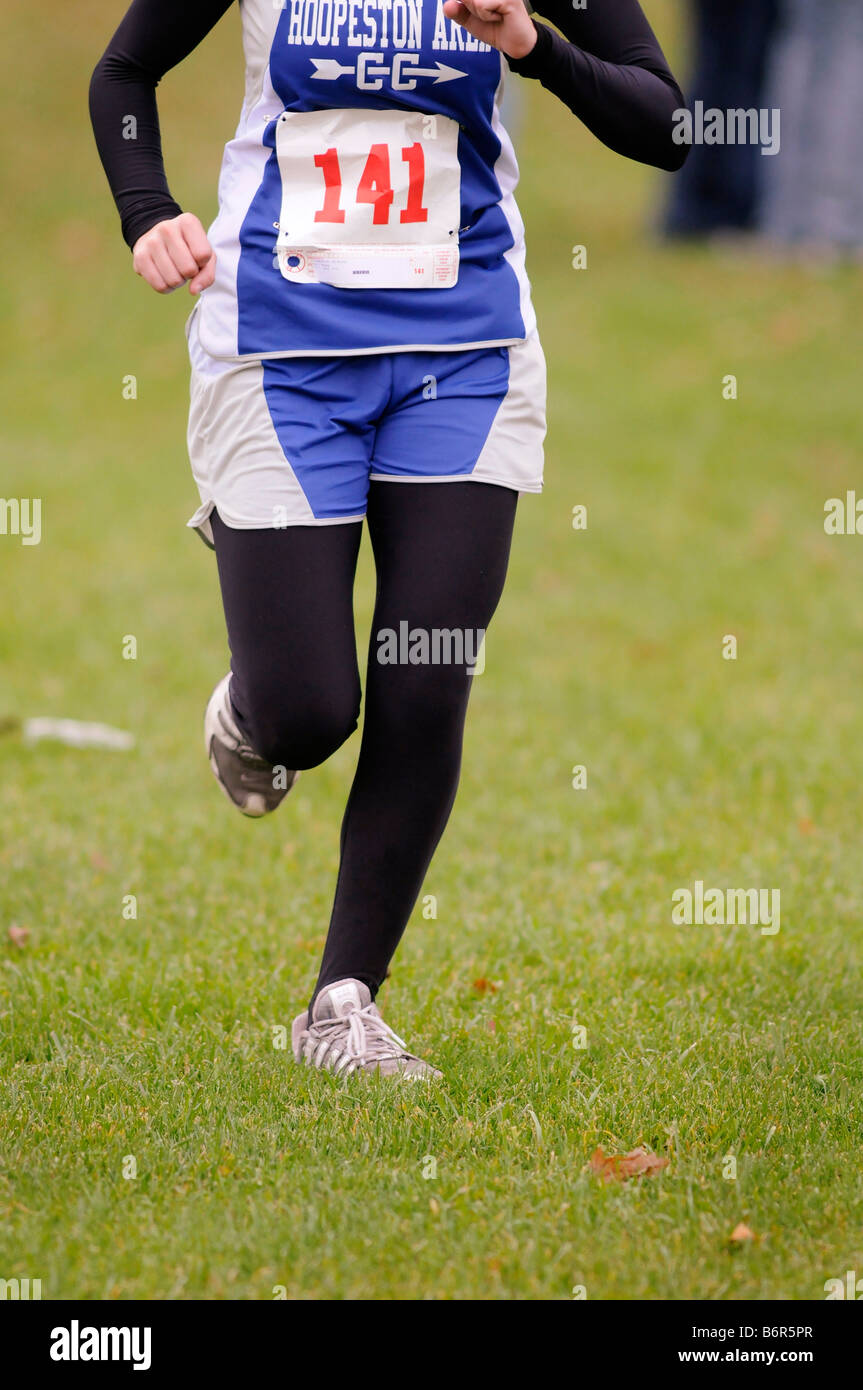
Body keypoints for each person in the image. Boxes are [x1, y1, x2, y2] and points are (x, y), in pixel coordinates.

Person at [90, 0, 686, 1080]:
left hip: (465, 352)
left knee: (426, 678)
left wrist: (528, 43)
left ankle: (341, 1000)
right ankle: (250, 708)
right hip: (277, 345)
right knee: (309, 712)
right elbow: (122, 73)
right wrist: (148, 211)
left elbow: (667, 124)